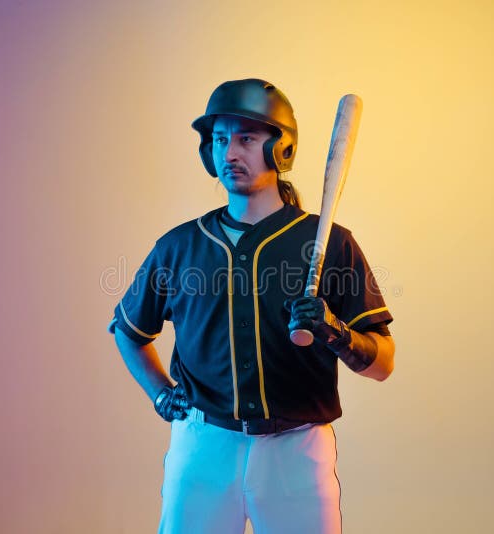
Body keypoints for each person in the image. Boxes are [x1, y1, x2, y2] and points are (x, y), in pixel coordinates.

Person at [109, 78, 395, 534]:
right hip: (203, 444)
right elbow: (128, 330)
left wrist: (335, 331)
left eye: (246, 138)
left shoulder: (330, 242)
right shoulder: (180, 246)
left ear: (281, 150)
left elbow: (383, 364)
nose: (230, 153)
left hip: (296, 450)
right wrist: (161, 393)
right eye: (221, 139)